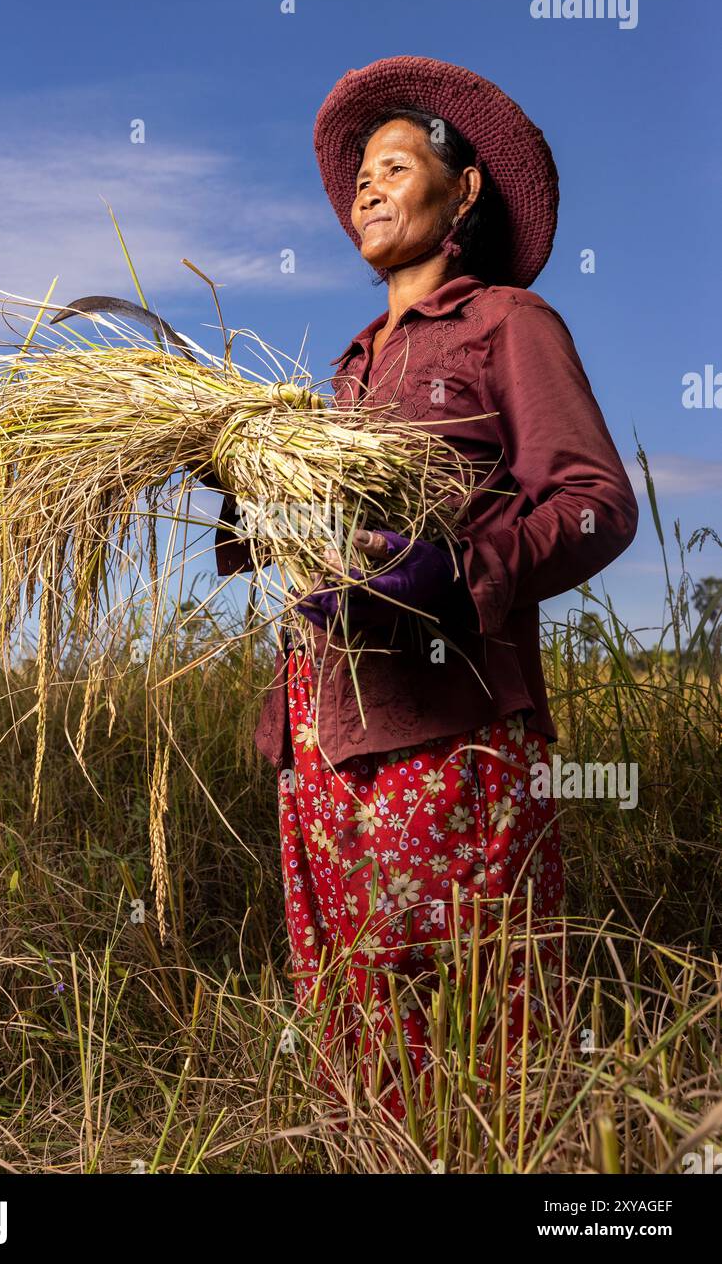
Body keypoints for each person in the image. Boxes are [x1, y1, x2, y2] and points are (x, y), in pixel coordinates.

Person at [210, 55, 639, 1120]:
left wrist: (464, 569)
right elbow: (298, 541)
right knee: (351, 1027)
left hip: (451, 734)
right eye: (358, 173)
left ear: (463, 190)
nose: (363, 187)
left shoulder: (504, 325)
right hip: (319, 741)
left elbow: (593, 500)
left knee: (478, 1027)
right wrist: (243, 479)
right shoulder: (344, 374)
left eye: (392, 166)